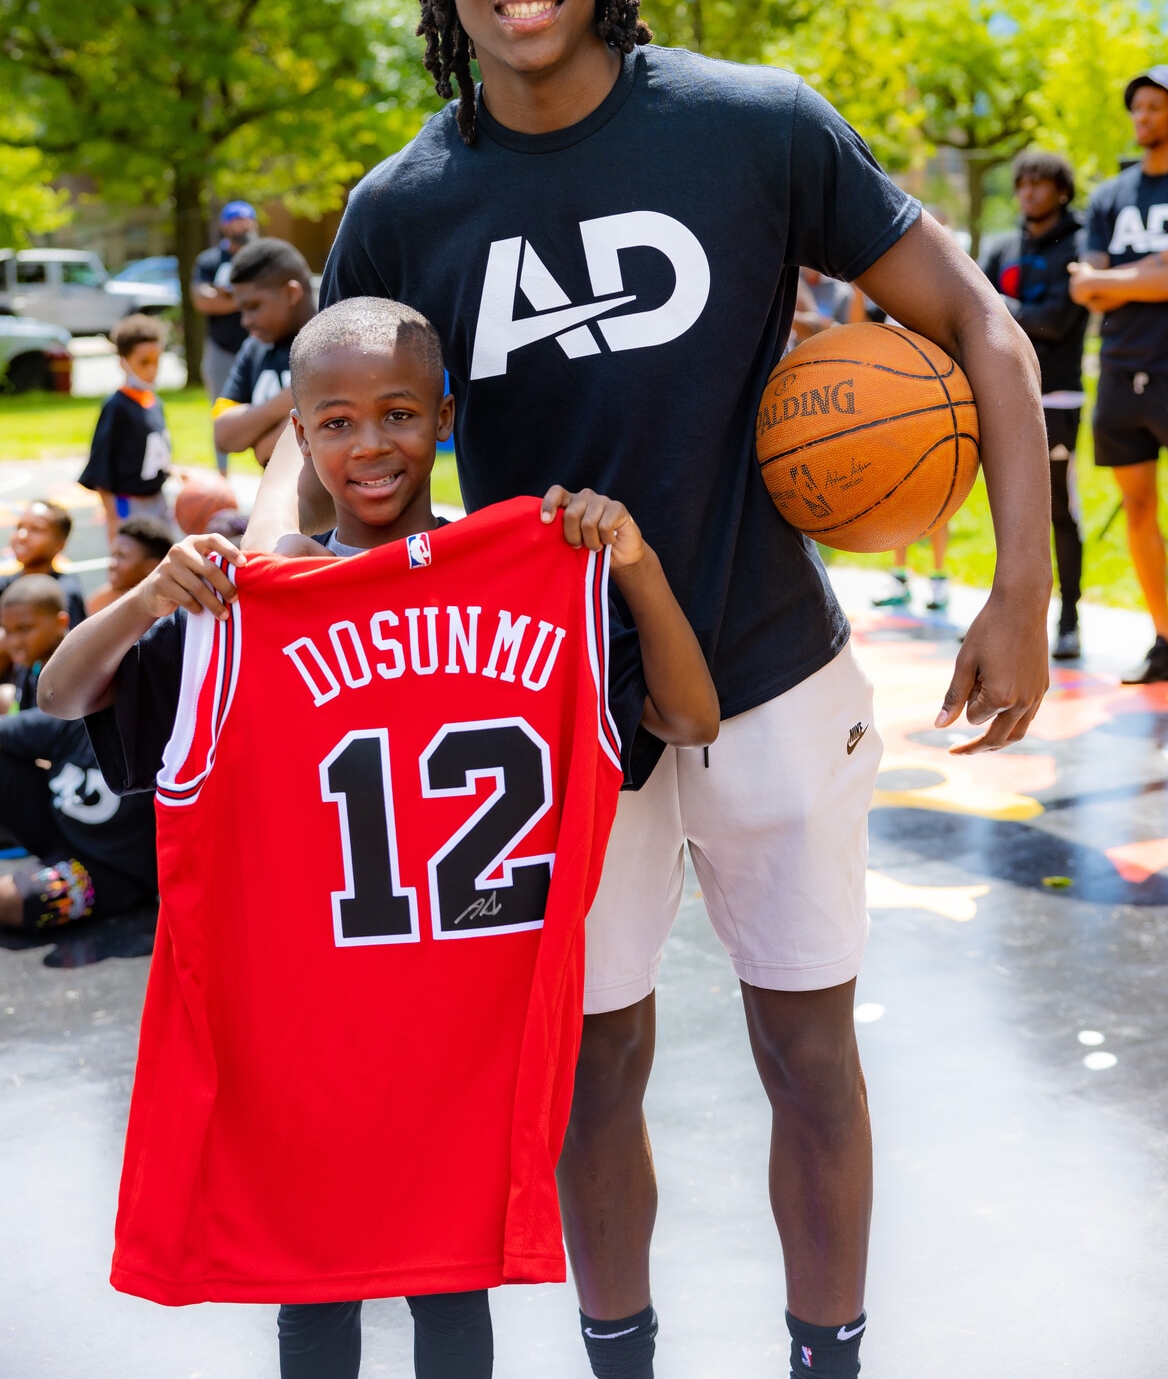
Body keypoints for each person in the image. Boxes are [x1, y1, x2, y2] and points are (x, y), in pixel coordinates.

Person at [306, 0, 1049, 1379]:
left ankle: (824, 1354)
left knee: (809, 1054)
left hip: (770, 666)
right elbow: (356, 467)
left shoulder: (752, 123)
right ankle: (621, 1354)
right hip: (551, 710)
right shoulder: (402, 206)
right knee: (591, 1070)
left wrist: (1021, 586)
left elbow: (986, 324)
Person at [40, 295, 717, 1379]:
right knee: (315, 1299)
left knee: (451, 1297)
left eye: (399, 414)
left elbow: (689, 720)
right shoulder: (248, 605)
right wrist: (143, 599)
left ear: (444, 416)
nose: (372, 444)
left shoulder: (537, 581)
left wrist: (632, 561)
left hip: (462, 1030)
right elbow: (65, 688)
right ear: (299, 434)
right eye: (339, 421)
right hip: (311, 1033)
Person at [1070, 66, 1168, 684]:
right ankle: (1165, 642)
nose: (1143, 116)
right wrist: (1157, 267)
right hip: (1122, 373)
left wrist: (1118, 280)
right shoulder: (1108, 197)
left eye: (1156, 107)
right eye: (1137, 107)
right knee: (1138, 507)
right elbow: (1085, 290)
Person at [0, 575, 155, 933]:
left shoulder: (167, 728)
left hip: (113, 871)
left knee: (16, 902)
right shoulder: (72, 712)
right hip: (58, 831)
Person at [982, 150, 1089, 660]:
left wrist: (997, 309)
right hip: (1001, 395)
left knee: (1059, 511)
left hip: (1059, 396)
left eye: (1039, 183)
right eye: (1022, 183)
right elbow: (968, 307)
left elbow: (1058, 320)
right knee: (1008, 512)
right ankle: (1006, 620)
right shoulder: (1003, 246)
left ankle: (1069, 617)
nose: (1028, 192)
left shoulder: (1081, 242)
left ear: (1061, 190)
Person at [212, 238, 315, 468]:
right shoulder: (254, 348)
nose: (245, 321)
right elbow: (223, 433)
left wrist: (261, 436)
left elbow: (266, 452)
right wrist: (296, 396)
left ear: (291, 293)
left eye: (254, 306)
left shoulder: (334, 343)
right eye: (242, 310)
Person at [79, 314, 173, 544]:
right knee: (134, 561)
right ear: (123, 361)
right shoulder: (116, 406)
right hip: (129, 503)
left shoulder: (154, 402)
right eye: (143, 362)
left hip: (158, 499)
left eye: (156, 361)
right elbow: (101, 466)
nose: (152, 370)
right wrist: (112, 515)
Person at [191, 201, 258, 474]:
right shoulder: (209, 261)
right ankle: (222, 479)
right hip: (220, 349)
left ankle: (270, 477)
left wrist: (227, 294)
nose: (241, 225)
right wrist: (246, 297)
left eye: (246, 220)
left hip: (256, 347)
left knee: (267, 412)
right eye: (235, 220)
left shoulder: (260, 257)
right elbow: (203, 301)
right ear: (223, 224)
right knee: (220, 412)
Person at [0, 500, 86, 629]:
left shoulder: (64, 593)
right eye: (19, 527)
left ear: (59, 544)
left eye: (36, 529)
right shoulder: (4, 586)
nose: (21, 536)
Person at [86, 515, 175, 616]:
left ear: (151, 567)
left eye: (122, 556)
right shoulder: (103, 601)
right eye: (113, 555)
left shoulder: (171, 615)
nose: (112, 564)